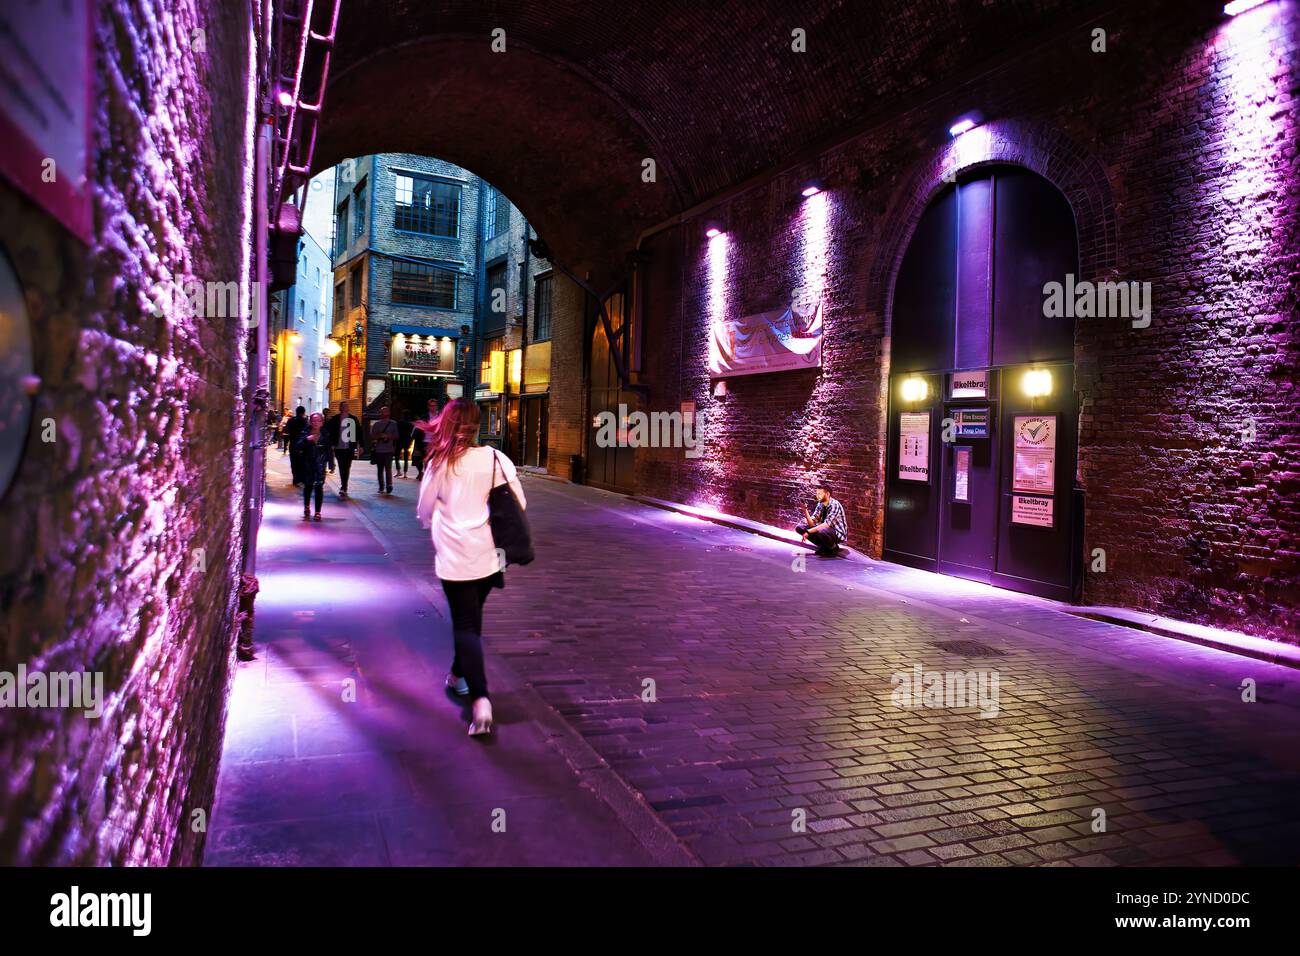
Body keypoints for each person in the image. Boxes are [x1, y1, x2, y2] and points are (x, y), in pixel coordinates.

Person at [415, 398, 525, 736]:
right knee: (471, 622)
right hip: (489, 558)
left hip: (455, 560)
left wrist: (441, 522)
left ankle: (480, 699)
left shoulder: (440, 465)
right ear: (477, 425)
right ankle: (457, 675)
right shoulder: (495, 459)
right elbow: (518, 503)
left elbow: (423, 510)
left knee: (466, 626)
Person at [295, 411, 333, 521]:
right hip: (308, 463)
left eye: (318, 421)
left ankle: (317, 512)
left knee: (319, 487)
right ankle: (307, 506)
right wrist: (307, 439)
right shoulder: (305, 432)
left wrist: (331, 463)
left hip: (320, 464)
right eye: (314, 421)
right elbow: (297, 446)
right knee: (308, 486)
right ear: (310, 422)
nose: (316, 423)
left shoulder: (325, 433)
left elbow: (329, 449)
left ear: (322, 422)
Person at [796, 481, 849, 557]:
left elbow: (826, 525)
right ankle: (824, 546)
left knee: (821, 531)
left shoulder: (834, 505)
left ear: (827, 494)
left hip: (837, 533)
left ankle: (833, 548)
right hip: (824, 531)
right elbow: (812, 524)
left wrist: (808, 532)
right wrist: (805, 510)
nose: (817, 496)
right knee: (800, 528)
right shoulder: (820, 504)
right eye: (817, 494)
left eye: (820, 494)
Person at [325, 402, 360, 498]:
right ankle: (343, 486)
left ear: (348, 408)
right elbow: (327, 430)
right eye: (343, 406)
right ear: (340, 408)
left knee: (347, 467)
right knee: (341, 467)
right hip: (339, 448)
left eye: (346, 406)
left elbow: (359, 433)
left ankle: (344, 486)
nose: (345, 407)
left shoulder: (353, 419)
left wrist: (361, 446)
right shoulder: (335, 419)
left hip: (349, 448)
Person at [370, 405, 399, 494]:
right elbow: (372, 436)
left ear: (389, 413)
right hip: (379, 450)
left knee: (388, 468)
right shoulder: (377, 424)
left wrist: (388, 436)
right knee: (380, 469)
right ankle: (381, 486)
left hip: (389, 450)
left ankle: (389, 485)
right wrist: (380, 436)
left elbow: (397, 436)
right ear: (380, 413)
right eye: (383, 411)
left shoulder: (393, 424)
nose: (384, 413)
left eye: (386, 411)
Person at [284, 406, 309, 486]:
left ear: (296, 411)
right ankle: (302, 479)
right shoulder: (305, 421)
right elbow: (308, 432)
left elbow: (286, 430)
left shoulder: (291, 420)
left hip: (293, 444)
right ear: (303, 412)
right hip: (303, 445)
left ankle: (296, 479)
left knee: (294, 462)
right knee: (302, 462)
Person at [396, 412, 415, 479]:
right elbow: (412, 434)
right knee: (406, 458)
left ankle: (398, 471)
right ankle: (405, 473)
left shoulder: (399, 423)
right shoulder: (411, 424)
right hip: (407, 441)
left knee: (397, 456)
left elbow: (396, 431)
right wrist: (411, 440)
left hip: (399, 441)